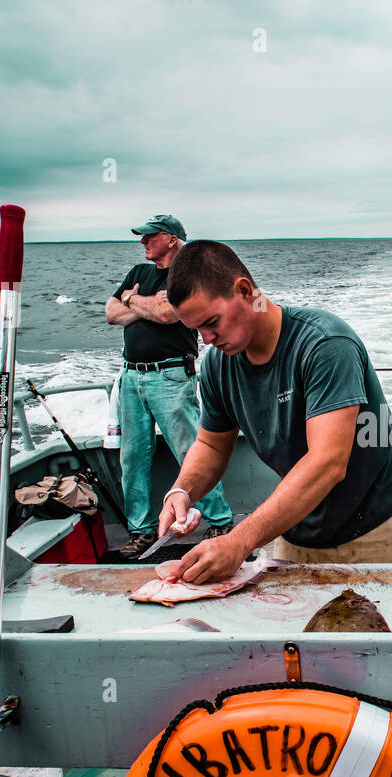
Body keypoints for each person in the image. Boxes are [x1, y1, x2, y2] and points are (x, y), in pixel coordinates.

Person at [156, 240, 392, 583]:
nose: (206, 339)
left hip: (376, 534)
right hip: (295, 533)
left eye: (212, 322)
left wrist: (238, 541)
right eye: (195, 330)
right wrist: (182, 490)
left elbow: (327, 464)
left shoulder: (325, 345)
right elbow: (210, 446)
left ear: (244, 290)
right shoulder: (217, 367)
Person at [104, 215, 233, 559]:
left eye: (150, 236)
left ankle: (220, 521)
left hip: (171, 376)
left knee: (192, 450)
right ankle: (141, 530)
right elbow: (111, 312)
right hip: (130, 376)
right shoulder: (138, 273)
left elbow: (167, 314)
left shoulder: (186, 275)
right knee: (132, 458)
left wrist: (133, 301)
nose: (142, 242)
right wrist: (143, 303)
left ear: (172, 239)